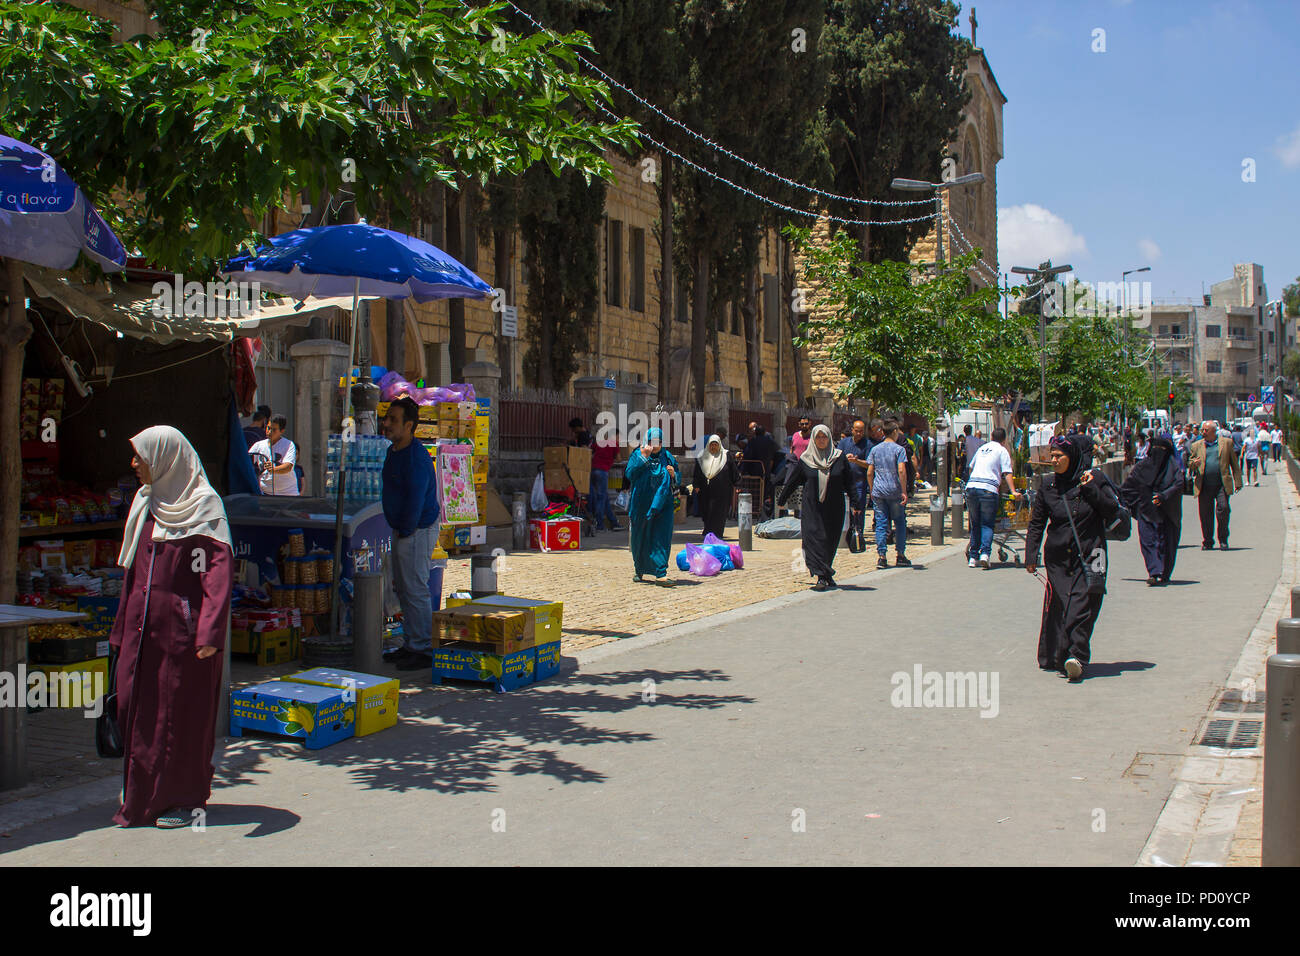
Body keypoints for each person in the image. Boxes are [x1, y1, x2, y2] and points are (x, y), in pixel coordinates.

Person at [109, 425, 233, 828]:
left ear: (164, 460)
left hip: (186, 639)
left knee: (181, 718)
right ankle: (142, 794)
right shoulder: (146, 503)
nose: (134, 466)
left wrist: (210, 634)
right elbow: (133, 574)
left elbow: (216, 576)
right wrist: (120, 631)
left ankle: (184, 799)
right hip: (142, 633)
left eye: (140, 458)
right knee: (139, 711)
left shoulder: (203, 507)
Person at [1025, 434, 1118, 683]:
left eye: (1059, 456)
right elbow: (1037, 523)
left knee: (1085, 603)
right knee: (1063, 605)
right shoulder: (1048, 486)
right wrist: (1031, 554)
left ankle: (1076, 656)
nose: (1053, 460)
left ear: (1072, 457)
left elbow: (1111, 511)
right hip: (1057, 558)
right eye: (1052, 456)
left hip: (1090, 554)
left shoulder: (1093, 480)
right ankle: (1059, 655)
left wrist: (1091, 490)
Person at [381, 397, 441, 670]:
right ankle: (411, 642)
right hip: (403, 529)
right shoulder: (394, 451)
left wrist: (405, 529)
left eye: (393, 420)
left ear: (409, 426)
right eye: (387, 418)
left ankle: (424, 648)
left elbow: (415, 500)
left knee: (415, 588)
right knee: (404, 589)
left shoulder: (416, 457)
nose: (387, 424)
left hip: (416, 529)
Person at [778, 423, 852, 591]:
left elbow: (849, 481)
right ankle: (820, 574)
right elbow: (793, 481)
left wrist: (855, 502)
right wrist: (782, 499)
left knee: (830, 541)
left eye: (824, 437)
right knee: (813, 540)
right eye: (818, 437)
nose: (821, 440)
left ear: (829, 438)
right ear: (813, 439)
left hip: (834, 507)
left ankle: (826, 574)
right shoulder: (806, 459)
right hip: (812, 507)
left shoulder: (839, 457)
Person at [1120, 435, 1183, 585]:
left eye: (1162, 450)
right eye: (1156, 450)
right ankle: (1154, 572)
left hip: (1168, 511)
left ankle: (1165, 572)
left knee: (1167, 543)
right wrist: (1136, 503)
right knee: (1148, 541)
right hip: (1146, 510)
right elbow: (1128, 487)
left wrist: (1163, 496)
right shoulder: (1142, 467)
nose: (1158, 453)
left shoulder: (1172, 467)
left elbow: (1178, 484)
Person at [626, 427, 679, 586]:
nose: (654, 445)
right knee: (640, 536)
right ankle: (639, 569)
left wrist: (673, 475)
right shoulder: (638, 454)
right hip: (641, 504)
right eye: (651, 442)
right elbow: (630, 474)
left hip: (663, 505)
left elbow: (678, 477)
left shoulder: (667, 457)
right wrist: (644, 457)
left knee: (661, 537)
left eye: (658, 442)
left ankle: (660, 573)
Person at [965, 427, 1017, 569]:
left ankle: (973, 557)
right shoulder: (1002, 451)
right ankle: (985, 554)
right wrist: (1013, 491)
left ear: (992, 436)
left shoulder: (982, 448)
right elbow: (1007, 472)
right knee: (987, 524)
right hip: (988, 489)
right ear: (1004, 440)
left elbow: (971, 467)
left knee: (975, 523)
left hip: (972, 487)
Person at [1187, 421, 1242, 550]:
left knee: (1223, 509)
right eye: (1202, 430)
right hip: (1204, 485)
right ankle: (1207, 541)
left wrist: (1238, 481)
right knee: (1205, 514)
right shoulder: (1196, 446)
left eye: (1206, 430)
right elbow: (1190, 463)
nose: (1203, 432)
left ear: (1213, 431)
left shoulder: (1226, 443)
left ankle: (1223, 539)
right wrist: (1194, 463)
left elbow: (1234, 463)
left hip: (1221, 484)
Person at [866, 421, 910, 569]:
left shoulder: (875, 450)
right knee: (899, 522)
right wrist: (904, 490)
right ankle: (900, 554)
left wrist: (872, 490)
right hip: (895, 490)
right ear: (895, 431)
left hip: (879, 491)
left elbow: (869, 472)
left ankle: (882, 556)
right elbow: (902, 470)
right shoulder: (899, 450)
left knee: (881, 523)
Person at [695, 433, 738, 540]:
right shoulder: (702, 457)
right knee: (707, 511)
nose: (713, 447)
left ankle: (718, 534)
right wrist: (696, 485)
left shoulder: (726, 456)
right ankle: (708, 531)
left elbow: (733, 472)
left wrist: (737, 484)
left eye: (715, 445)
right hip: (706, 491)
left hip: (722, 492)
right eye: (712, 445)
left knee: (720, 513)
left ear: (719, 445)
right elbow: (697, 472)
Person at [838, 419, 872, 547]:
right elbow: (837, 457)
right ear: (852, 430)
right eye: (856, 431)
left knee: (858, 510)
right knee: (844, 509)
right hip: (844, 482)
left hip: (859, 483)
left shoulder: (867, 445)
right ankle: (845, 534)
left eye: (861, 431)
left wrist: (856, 461)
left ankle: (858, 535)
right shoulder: (844, 443)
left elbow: (869, 464)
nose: (858, 434)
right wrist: (846, 459)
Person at [248, 414, 299, 496]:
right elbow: (247, 462)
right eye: (268, 428)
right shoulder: (258, 445)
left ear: (282, 431)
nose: (269, 432)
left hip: (287, 494)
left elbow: (288, 467)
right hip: (265, 493)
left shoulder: (289, 444)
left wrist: (273, 469)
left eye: (274, 430)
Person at [589, 427, 623, 532]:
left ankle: (614, 523)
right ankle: (599, 524)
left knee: (604, 498)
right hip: (602, 472)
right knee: (601, 498)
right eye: (619, 437)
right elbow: (619, 459)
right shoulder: (614, 444)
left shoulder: (600, 442)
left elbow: (590, 452)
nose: (619, 439)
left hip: (593, 471)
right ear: (615, 435)